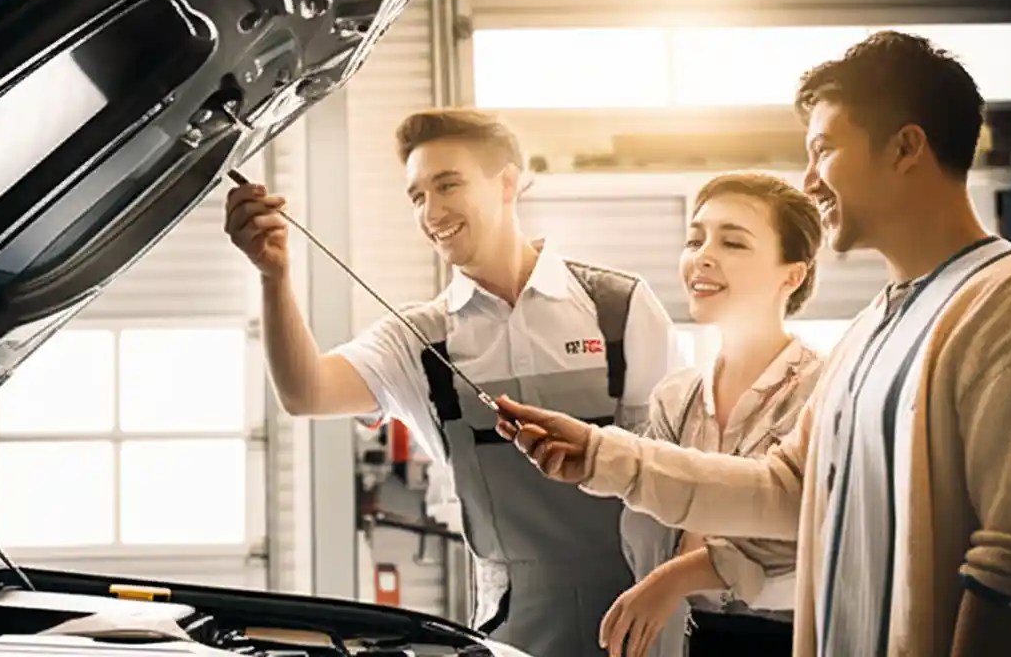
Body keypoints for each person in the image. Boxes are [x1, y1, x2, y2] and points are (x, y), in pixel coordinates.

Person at [494, 30, 1011, 657]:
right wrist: (602, 456)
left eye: (824, 150)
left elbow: (1008, 566)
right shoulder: (873, 326)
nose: (809, 178)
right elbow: (785, 491)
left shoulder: (1001, 305)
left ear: (906, 147)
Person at [225, 107, 682, 656]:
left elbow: (683, 467)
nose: (432, 211)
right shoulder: (419, 339)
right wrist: (274, 275)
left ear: (507, 182)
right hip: (514, 632)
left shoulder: (618, 307)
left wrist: (673, 586)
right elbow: (306, 392)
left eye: (448, 185)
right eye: (417, 196)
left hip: (645, 618)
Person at [607, 171, 825, 657]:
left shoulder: (825, 390)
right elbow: (648, 529)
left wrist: (673, 578)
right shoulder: (676, 398)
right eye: (695, 238)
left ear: (793, 274)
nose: (702, 255)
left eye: (733, 242)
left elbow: (799, 534)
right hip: (691, 638)